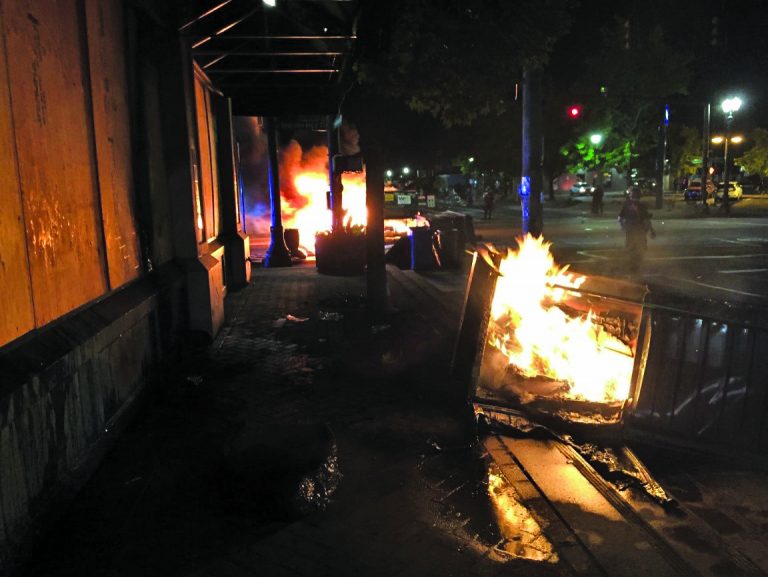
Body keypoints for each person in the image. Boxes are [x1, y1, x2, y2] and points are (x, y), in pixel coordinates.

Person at [618, 187, 655, 273]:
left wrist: (623, 227)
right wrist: (652, 230)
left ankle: (631, 266)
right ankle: (636, 266)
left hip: (629, 231)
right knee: (641, 248)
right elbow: (646, 220)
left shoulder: (626, 205)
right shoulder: (642, 206)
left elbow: (619, 218)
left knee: (630, 248)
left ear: (630, 195)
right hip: (640, 231)